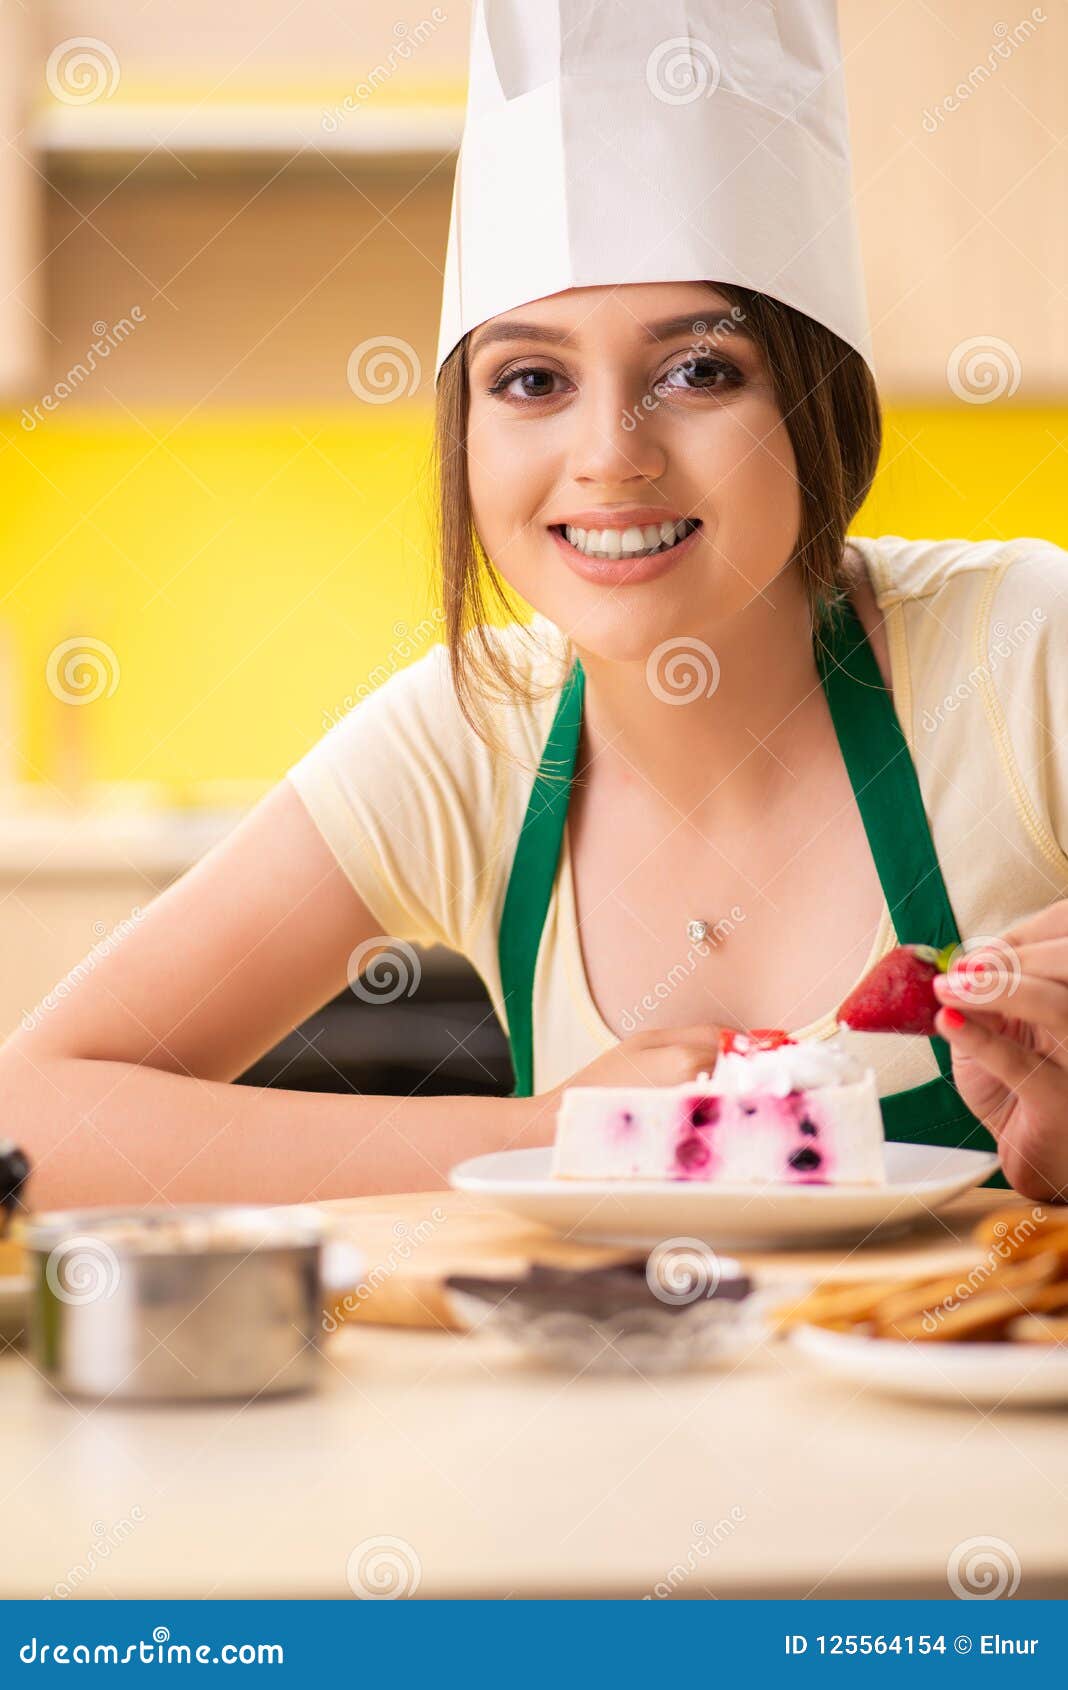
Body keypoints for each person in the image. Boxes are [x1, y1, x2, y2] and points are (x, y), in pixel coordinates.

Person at [3, 3, 1066, 1206]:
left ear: (816, 403)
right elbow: (27, 1111)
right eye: (531, 378)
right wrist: (546, 1133)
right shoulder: (473, 731)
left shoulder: (1025, 655)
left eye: (698, 369)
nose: (610, 455)